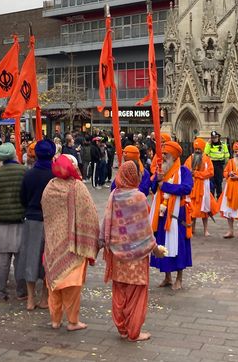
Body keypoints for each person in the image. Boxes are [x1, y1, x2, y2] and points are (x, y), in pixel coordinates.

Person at [102, 161, 167, 342]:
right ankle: (134, 332)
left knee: (119, 290)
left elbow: (106, 222)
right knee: (136, 293)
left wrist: (101, 243)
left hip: (117, 253)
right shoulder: (138, 197)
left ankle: (122, 329)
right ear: (134, 176)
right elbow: (144, 230)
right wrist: (155, 249)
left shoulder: (113, 195)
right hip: (137, 256)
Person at [41, 154, 99, 331]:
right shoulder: (76, 186)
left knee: (54, 283)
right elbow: (90, 212)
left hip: (52, 242)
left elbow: (45, 208)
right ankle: (73, 321)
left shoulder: (50, 186)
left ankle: (55, 320)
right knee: (72, 284)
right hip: (72, 244)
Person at [150, 141, 193, 290]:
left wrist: (166, 186)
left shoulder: (184, 171)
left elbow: (187, 188)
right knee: (163, 244)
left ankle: (179, 278)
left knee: (179, 246)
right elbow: (153, 188)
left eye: (166, 155)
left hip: (177, 216)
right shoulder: (161, 170)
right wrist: (157, 179)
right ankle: (167, 277)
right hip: (161, 215)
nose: (163, 158)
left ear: (174, 157)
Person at [0, 143, 28, 301]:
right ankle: (21, 291)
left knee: (3, 259)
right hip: (20, 220)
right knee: (20, 259)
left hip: (2, 221)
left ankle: (1, 291)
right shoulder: (24, 171)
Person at [20, 139, 55, 310]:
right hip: (52, 221)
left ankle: (30, 299)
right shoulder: (56, 175)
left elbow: (22, 198)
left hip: (32, 219)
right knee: (48, 259)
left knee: (31, 258)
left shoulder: (29, 174)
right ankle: (44, 298)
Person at [187, 138, 218, 237]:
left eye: (199, 149)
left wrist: (197, 174)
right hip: (192, 187)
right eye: (195, 149)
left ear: (203, 149)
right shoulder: (190, 159)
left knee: (205, 209)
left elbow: (211, 172)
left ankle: (206, 230)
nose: (197, 151)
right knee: (192, 209)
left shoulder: (207, 159)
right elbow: (185, 170)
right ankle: (192, 229)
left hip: (204, 188)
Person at [204, 131, 229, 199]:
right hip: (211, 165)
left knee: (219, 182)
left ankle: (219, 198)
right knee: (211, 183)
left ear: (218, 137)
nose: (214, 139)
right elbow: (205, 153)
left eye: (215, 137)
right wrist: (208, 144)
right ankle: (211, 199)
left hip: (219, 165)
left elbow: (227, 155)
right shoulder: (209, 145)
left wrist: (226, 166)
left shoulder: (223, 145)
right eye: (213, 138)